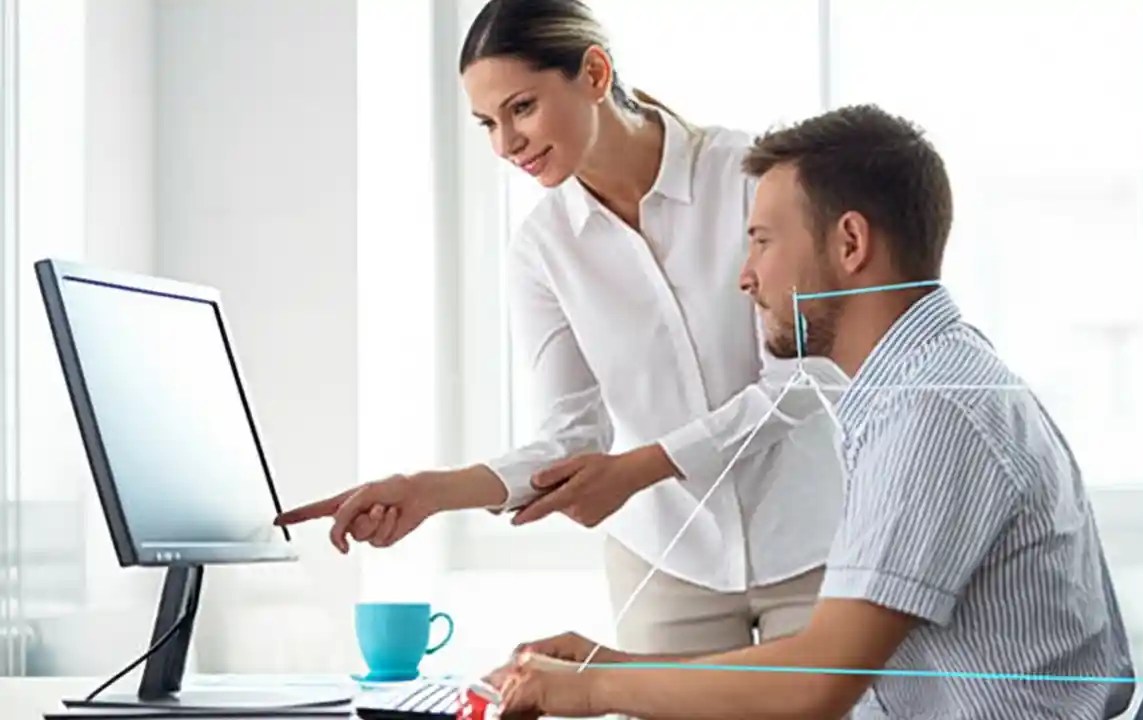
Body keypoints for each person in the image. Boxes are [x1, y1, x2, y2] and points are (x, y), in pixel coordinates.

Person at [490, 104, 1136, 720]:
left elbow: (816, 686)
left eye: (763, 241)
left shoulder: (930, 413)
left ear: (850, 242)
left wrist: (594, 687)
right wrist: (613, 667)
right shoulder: (924, 383)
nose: (745, 277)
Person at [274, 0, 848, 659]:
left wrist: (640, 466)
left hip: (813, 545)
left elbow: (808, 376)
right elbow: (570, 436)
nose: (505, 143)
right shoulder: (542, 249)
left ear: (595, 74)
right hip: (667, 563)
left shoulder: (750, 178)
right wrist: (429, 491)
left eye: (521, 108)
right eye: (488, 123)